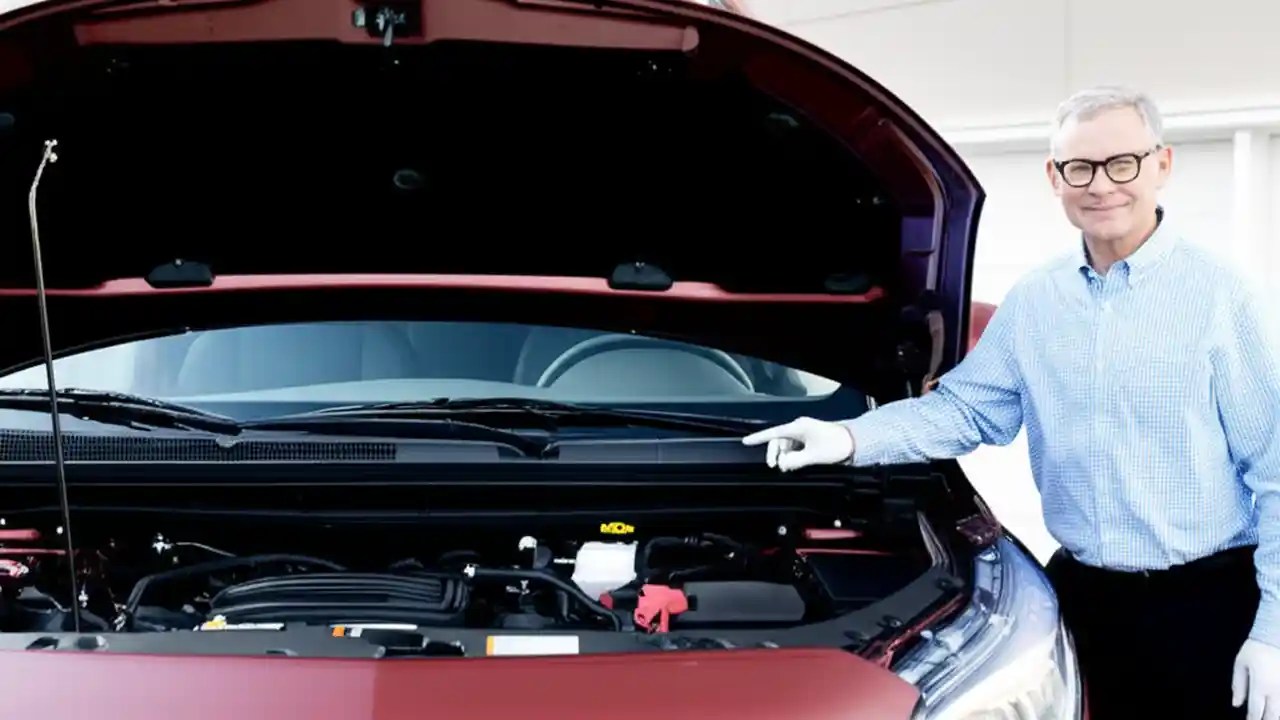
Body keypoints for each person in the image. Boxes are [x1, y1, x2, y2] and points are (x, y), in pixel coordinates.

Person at [743, 86, 1280, 720]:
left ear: (1162, 164)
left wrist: (1271, 632)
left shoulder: (1223, 299)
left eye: (1122, 163)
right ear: (1055, 177)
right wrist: (851, 438)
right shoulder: (1036, 300)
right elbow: (967, 412)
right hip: (1084, 598)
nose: (1101, 185)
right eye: (1079, 167)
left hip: (1208, 605)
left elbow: (1274, 475)